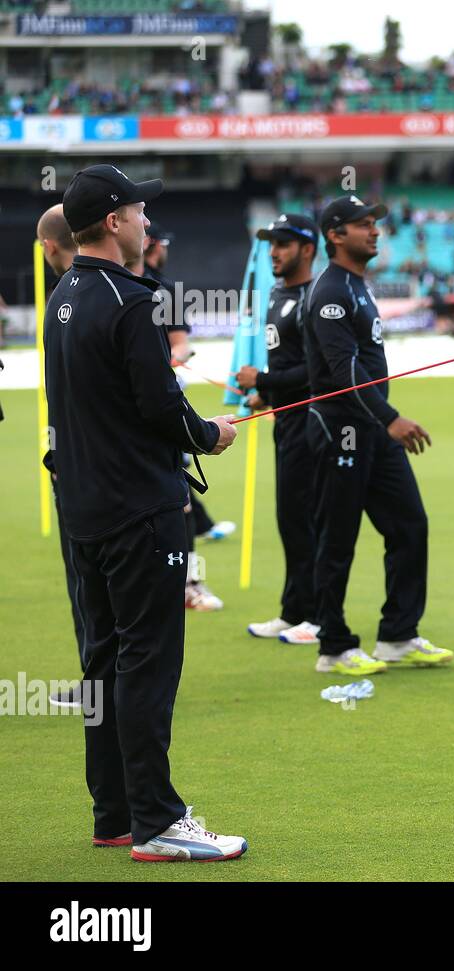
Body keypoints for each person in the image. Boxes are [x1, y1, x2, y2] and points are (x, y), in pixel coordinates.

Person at [45, 164, 245, 860]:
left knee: (103, 664)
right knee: (147, 664)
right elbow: (160, 406)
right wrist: (209, 434)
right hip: (139, 510)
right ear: (112, 222)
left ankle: (116, 813)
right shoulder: (131, 300)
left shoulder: (63, 294)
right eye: (137, 211)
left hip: (84, 508)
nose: (146, 222)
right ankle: (157, 819)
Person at [303, 194, 452, 675]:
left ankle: (398, 635)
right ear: (335, 234)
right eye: (363, 224)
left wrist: (382, 422)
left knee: (410, 526)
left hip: (372, 430)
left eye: (375, 224)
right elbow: (343, 368)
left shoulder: (357, 286)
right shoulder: (329, 291)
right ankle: (334, 646)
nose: (375, 231)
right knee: (337, 539)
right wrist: (389, 417)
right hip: (341, 429)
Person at [237, 214, 322, 645]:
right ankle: (294, 611)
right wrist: (266, 396)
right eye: (272, 243)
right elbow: (290, 366)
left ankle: (318, 615)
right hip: (285, 422)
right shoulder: (276, 293)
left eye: (284, 244)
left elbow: (318, 371)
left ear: (307, 249)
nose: (274, 250)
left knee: (308, 521)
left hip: (314, 425)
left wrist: (264, 382)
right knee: (289, 519)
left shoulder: (315, 297)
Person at [142, 225, 235, 611]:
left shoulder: (165, 288)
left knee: (179, 499)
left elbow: (180, 343)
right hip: (126, 413)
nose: (164, 250)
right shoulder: (106, 283)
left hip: (162, 400)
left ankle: (189, 583)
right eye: (162, 243)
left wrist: (164, 362)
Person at [36, 204, 86, 711]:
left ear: (50, 245)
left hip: (83, 469)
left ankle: (103, 686)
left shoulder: (68, 296)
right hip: (108, 467)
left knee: (89, 584)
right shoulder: (122, 288)